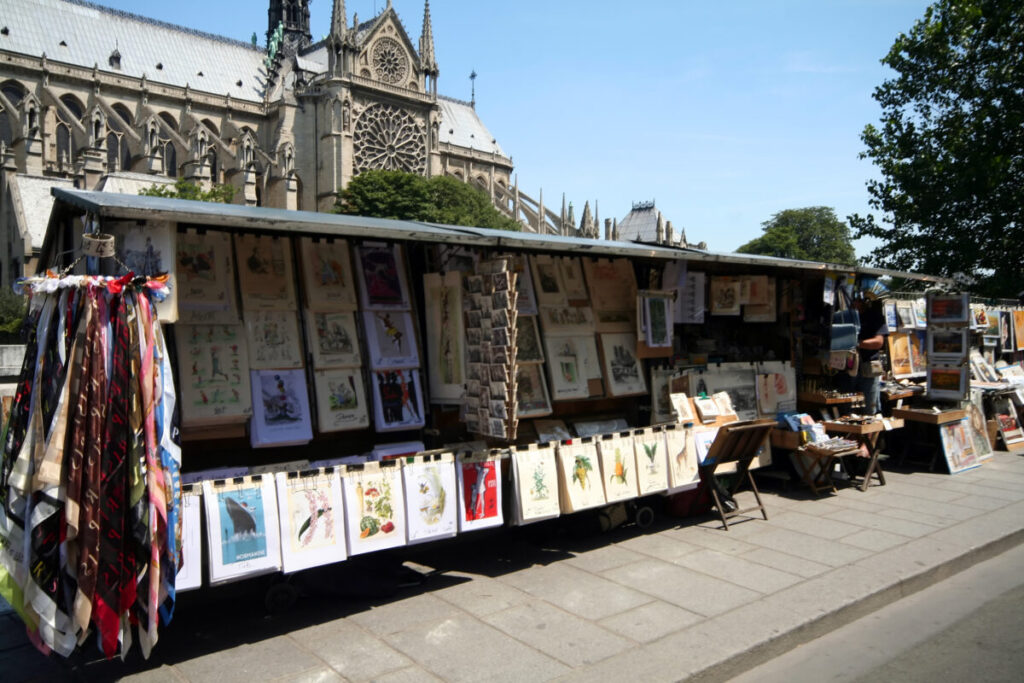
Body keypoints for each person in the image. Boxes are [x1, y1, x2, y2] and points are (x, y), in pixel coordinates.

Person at [849, 292, 889, 415]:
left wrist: (856, 343)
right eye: (853, 301)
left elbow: (878, 342)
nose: (856, 304)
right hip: (849, 367)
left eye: (859, 301)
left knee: (869, 408)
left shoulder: (875, 317)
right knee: (847, 406)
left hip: (868, 366)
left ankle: (869, 433)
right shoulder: (847, 316)